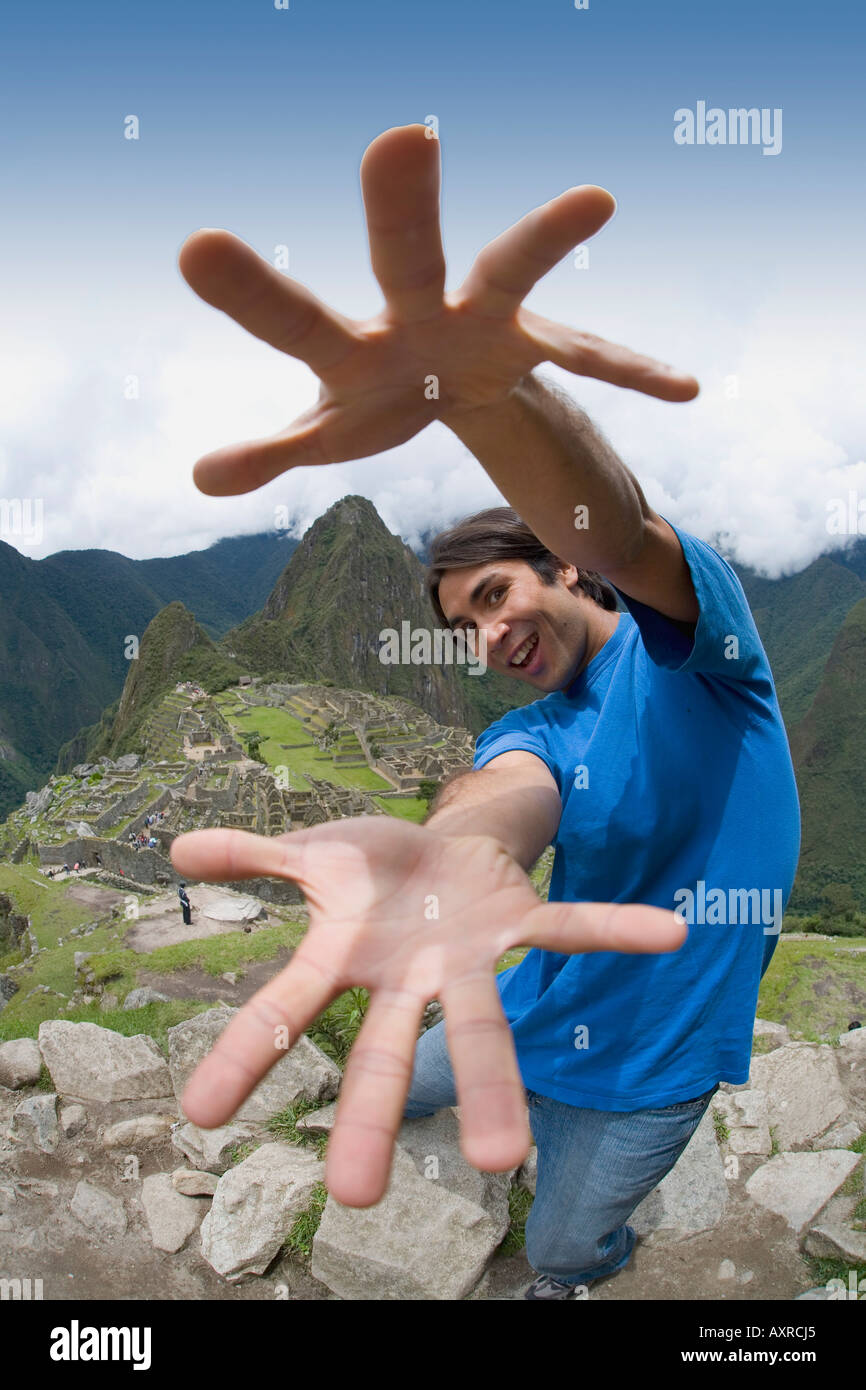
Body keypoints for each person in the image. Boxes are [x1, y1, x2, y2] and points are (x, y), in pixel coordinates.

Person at [168, 124, 800, 1300]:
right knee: (393, 1073)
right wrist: (446, 862)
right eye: (459, 627)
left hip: (652, 1055)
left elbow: (616, 526)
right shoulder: (534, 726)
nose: (486, 638)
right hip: (523, 999)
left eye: (497, 595)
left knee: (559, 1250)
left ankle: (587, 1256)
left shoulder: (701, 656)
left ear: (565, 573)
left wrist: (484, 399)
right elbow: (503, 799)